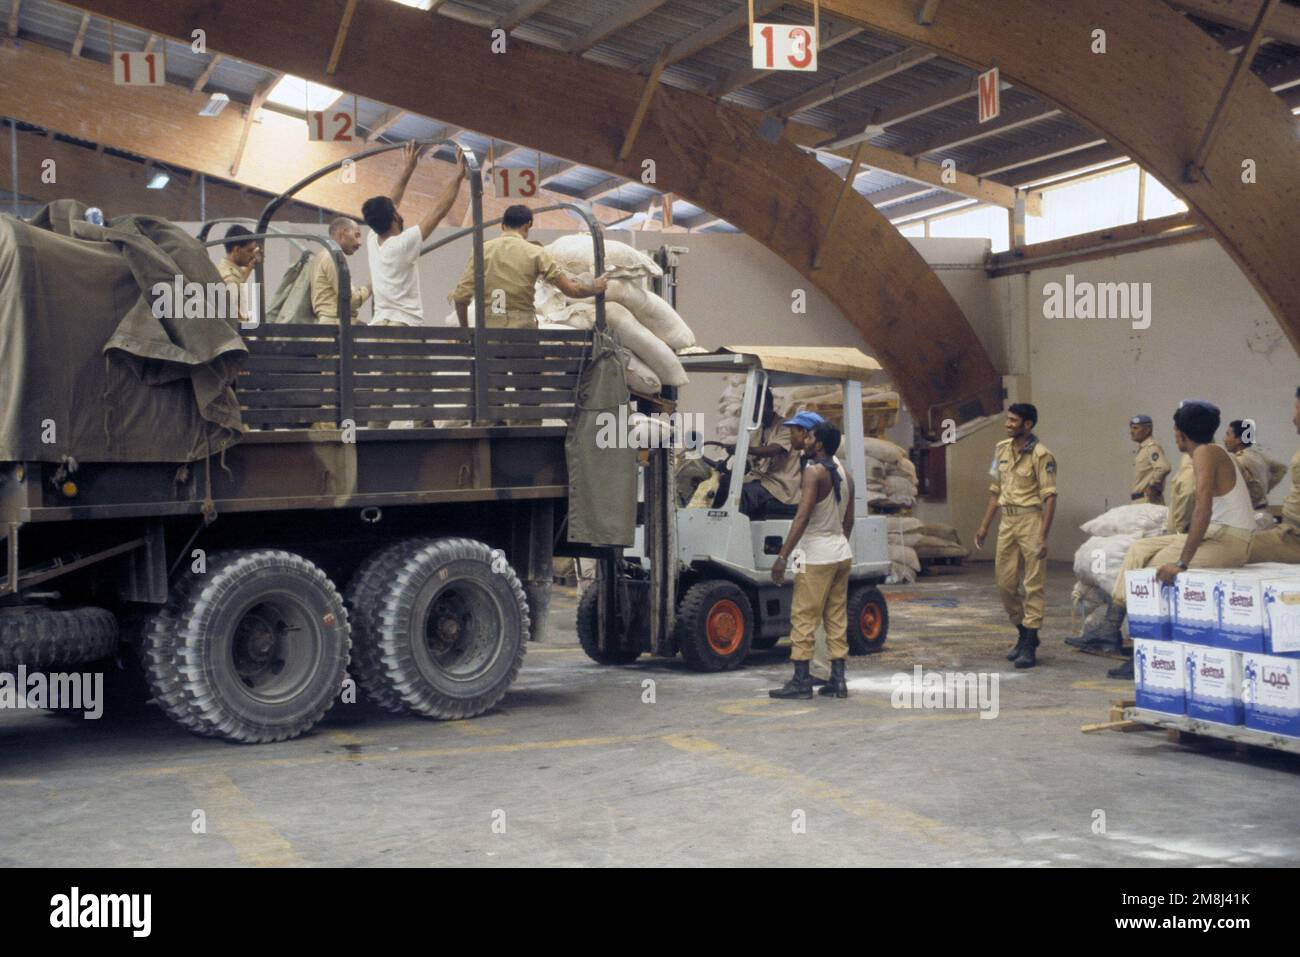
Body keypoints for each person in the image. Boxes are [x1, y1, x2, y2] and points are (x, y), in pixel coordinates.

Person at [1098, 400, 1256, 679]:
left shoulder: (1206, 454)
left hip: (1228, 541)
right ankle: (1112, 625)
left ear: (1180, 433)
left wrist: (1182, 562)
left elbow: (1202, 508)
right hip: (1216, 534)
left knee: (1151, 570)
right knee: (1139, 548)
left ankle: (1142, 652)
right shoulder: (1212, 451)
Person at [768, 424, 855, 700]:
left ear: (819, 445)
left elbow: (802, 517)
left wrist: (782, 556)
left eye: (811, 436)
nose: (806, 439)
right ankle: (838, 681)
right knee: (836, 617)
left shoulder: (813, 472)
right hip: (841, 552)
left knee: (803, 616)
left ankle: (801, 682)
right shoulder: (845, 473)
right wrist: (839, 544)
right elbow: (849, 519)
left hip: (815, 554)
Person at [974, 403, 1057, 669]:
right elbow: (995, 491)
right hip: (1006, 521)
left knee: (1033, 582)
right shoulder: (1001, 449)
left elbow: (1050, 498)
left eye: (1013, 420)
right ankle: (1023, 632)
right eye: (1008, 419)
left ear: (1028, 425)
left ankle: (1030, 640)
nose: (1008, 424)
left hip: (1031, 519)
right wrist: (984, 526)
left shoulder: (1042, 456)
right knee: (1005, 583)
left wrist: (1043, 536)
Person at [451, 204, 606, 329]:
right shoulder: (536, 253)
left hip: (489, 332)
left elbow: (460, 297)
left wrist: (464, 330)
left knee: (492, 368)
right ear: (528, 225)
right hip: (523, 331)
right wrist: (594, 288)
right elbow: (571, 290)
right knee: (526, 367)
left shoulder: (481, 250)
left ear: (502, 225)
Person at [361, 143, 465, 327]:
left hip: (378, 325)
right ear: (394, 216)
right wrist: (458, 176)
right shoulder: (402, 244)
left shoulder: (372, 239)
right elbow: (438, 211)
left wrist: (408, 168)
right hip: (404, 325)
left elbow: (391, 202)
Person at [716, 392, 808, 517]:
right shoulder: (757, 429)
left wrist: (744, 448)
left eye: (751, 405)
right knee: (724, 485)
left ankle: (732, 533)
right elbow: (752, 460)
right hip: (760, 480)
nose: (748, 410)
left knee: (742, 494)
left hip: (778, 485)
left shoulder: (786, 427)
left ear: (765, 405)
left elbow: (773, 450)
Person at [1248, 389, 1300, 563]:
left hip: (1294, 535)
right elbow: (1281, 469)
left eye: (1297, 408)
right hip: (1288, 528)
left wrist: (1265, 488)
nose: (1293, 418)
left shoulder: (1243, 458)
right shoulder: (1257, 455)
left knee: (1239, 547)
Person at [310, 217, 370, 323]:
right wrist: (372, 286)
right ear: (343, 233)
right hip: (336, 326)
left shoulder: (322, 255)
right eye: (357, 235)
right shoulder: (332, 257)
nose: (360, 242)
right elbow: (351, 300)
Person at [1224, 419, 1286, 511]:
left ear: (1239, 440)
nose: (1224, 439)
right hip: (1263, 510)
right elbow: (1282, 468)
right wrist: (1265, 488)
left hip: (1249, 513)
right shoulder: (1258, 456)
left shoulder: (1238, 460)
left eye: (1228, 434)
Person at [217, 224, 261, 324]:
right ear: (237, 250)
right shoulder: (231, 279)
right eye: (249, 251)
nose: (252, 255)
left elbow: (239, 279)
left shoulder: (224, 269)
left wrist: (249, 268)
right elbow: (231, 320)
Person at [1129, 414, 1171, 504]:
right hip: (1140, 500)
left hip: (1147, 500)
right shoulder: (1143, 449)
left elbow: (1163, 467)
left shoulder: (1151, 447)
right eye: (1131, 428)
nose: (1131, 431)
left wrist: (1153, 485)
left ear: (1148, 429)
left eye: (1136, 428)